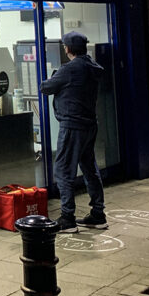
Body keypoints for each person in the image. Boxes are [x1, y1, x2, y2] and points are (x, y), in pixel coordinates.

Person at [39, 30, 106, 233]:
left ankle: (67, 218)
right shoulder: (91, 66)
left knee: (63, 170)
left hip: (72, 126)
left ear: (67, 49)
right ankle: (98, 214)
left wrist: (54, 75)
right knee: (89, 168)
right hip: (89, 124)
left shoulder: (70, 69)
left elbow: (46, 87)